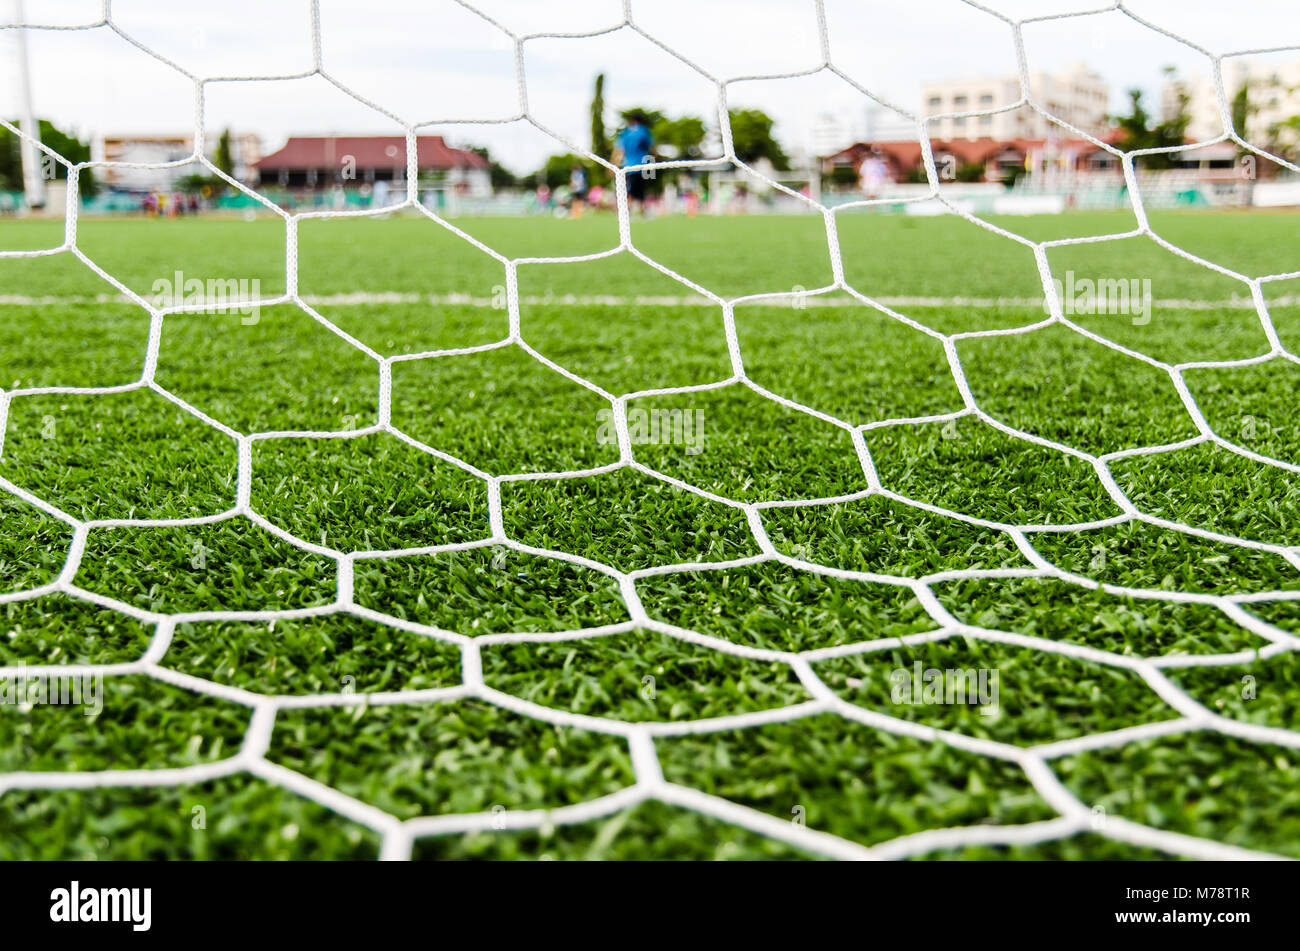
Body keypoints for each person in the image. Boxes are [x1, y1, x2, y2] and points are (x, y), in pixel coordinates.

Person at [612, 114, 654, 214]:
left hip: (628, 166)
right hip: (643, 165)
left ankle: (628, 210)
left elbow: (619, 150)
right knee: (641, 189)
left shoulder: (625, 133)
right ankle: (642, 210)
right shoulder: (643, 131)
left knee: (629, 189)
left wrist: (614, 163)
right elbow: (651, 147)